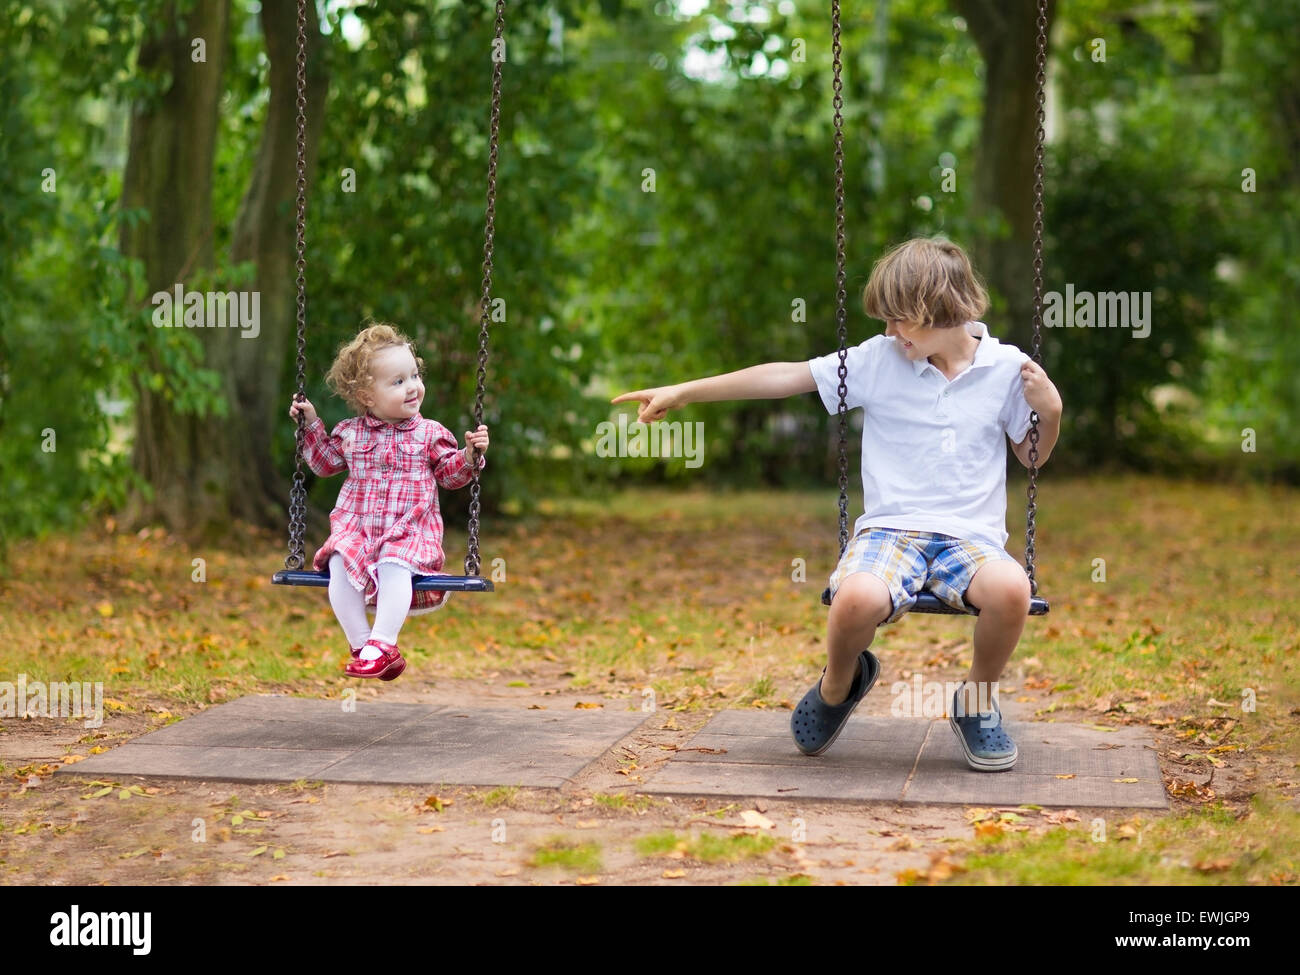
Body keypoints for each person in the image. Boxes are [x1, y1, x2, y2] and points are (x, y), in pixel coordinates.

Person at [611, 237, 1062, 770]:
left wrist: (1049, 410)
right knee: (854, 600)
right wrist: (685, 391)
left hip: (971, 539)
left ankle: (977, 701)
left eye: (899, 320)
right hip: (890, 533)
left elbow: (1032, 456)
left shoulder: (1009, 368)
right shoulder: (879, 359)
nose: (890, 331)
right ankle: (837, 685)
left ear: (941, 311)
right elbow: (786, 376)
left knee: (1013, 590)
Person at [288, 322, 490, 680]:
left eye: (414, 375)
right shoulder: (350, 432)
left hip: (409, 532)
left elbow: (449, 474)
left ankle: (383, 643)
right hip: (359, 531)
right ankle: (362, 644)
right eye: (398, 382)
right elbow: (323, 463)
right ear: (367, 396)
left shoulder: (430, 433)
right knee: (338, 561)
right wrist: (311, 424)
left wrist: (470, 456)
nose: (412, 387)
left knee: (394, 562)